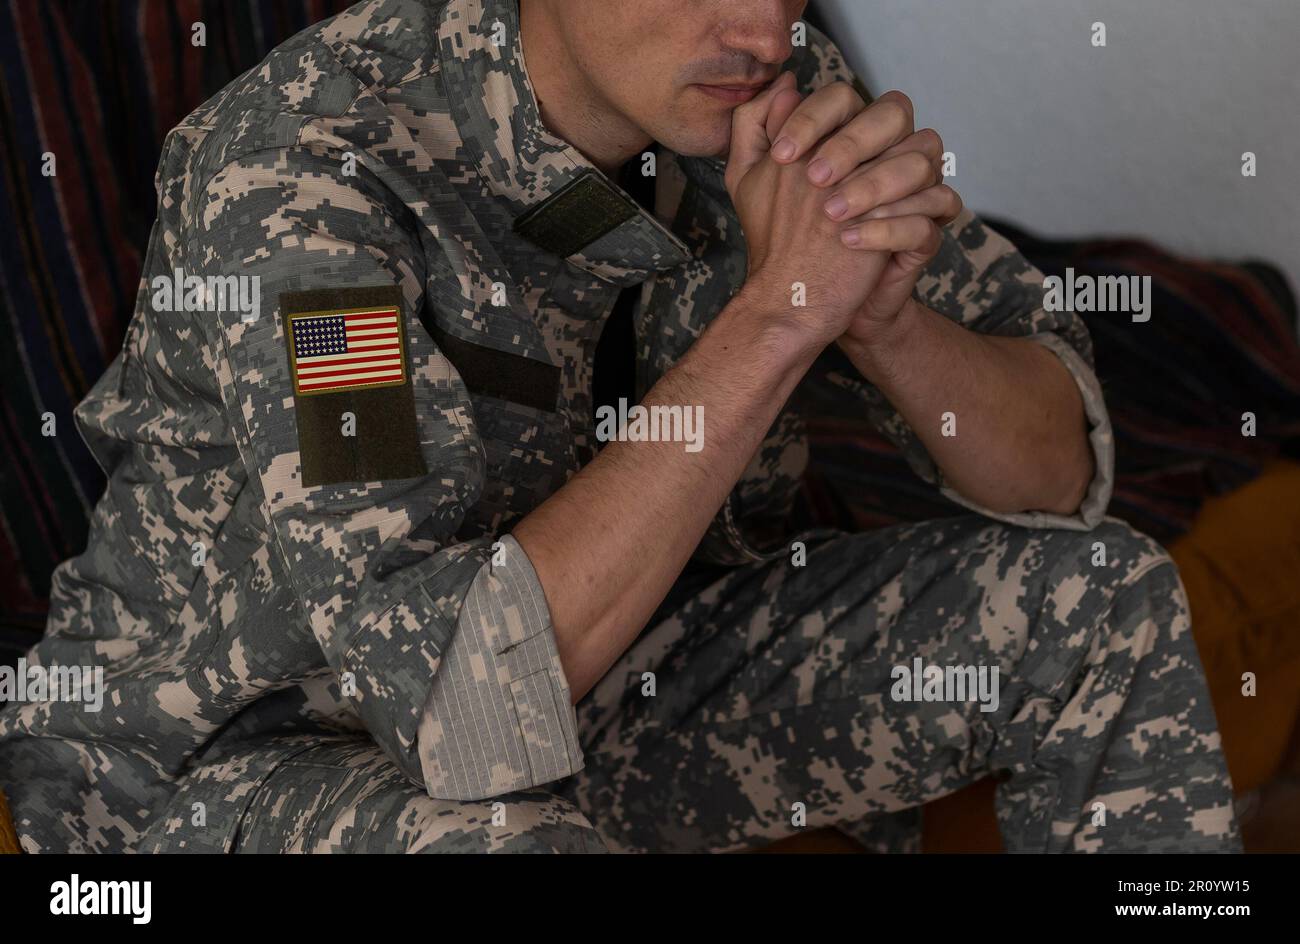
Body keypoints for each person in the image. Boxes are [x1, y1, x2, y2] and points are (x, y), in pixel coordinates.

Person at [0, 0, 1238, 853]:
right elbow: (452, 708)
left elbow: (1060, 472)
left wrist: (881, 322)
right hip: (224, 762)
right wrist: (776, 315)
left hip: (599, 678)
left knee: (1101, 601)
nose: (760, 29)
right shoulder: (305, 181)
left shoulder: (764, 87)